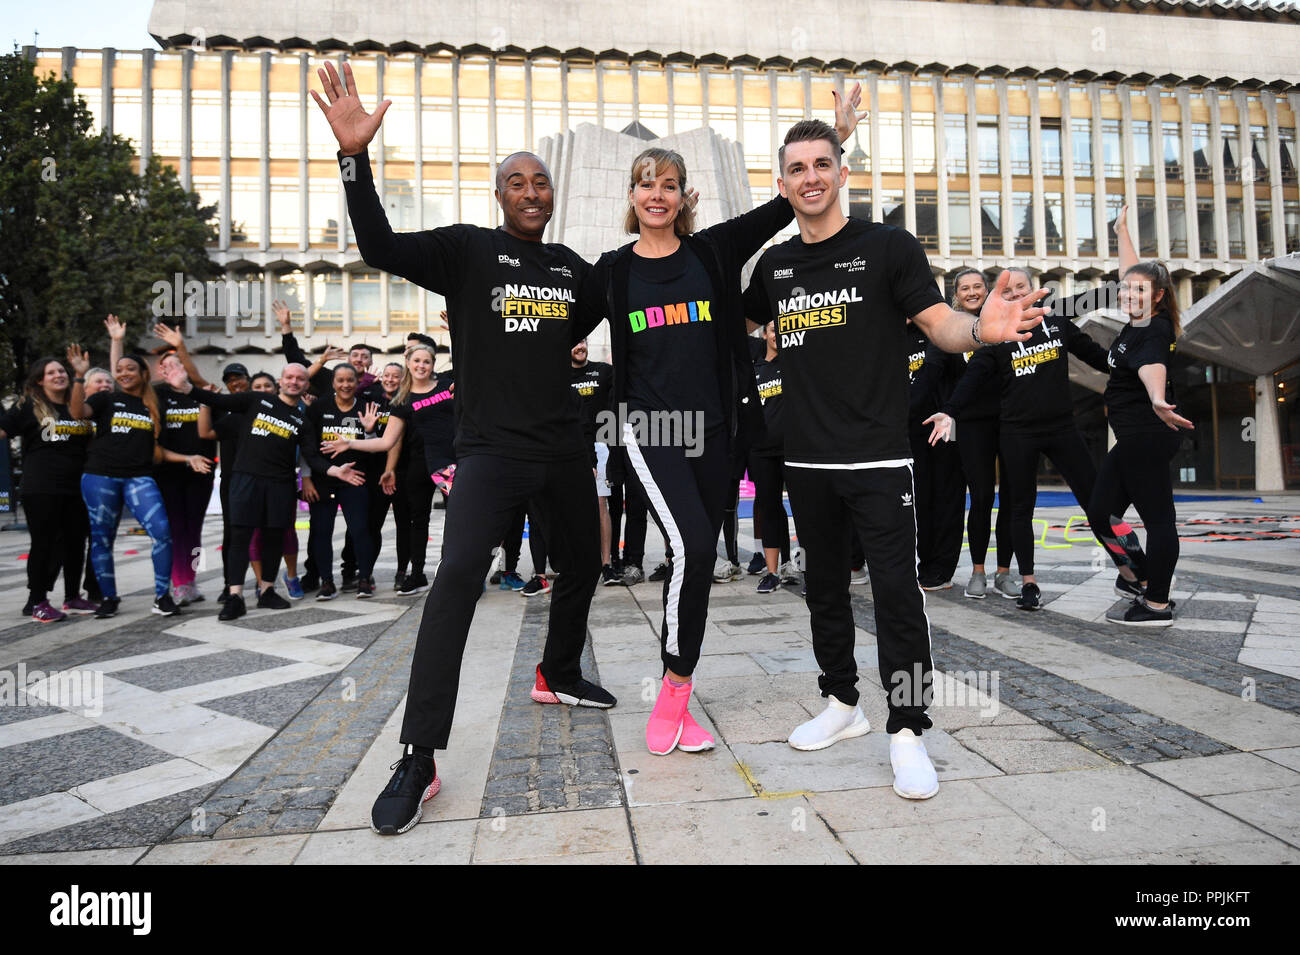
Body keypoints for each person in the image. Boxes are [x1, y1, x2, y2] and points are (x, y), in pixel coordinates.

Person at [312, 59, 615, 835]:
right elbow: (377, 243)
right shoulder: (466, 251)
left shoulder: (571, 270)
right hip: (488, 454)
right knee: (453, 587)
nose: (533, 191)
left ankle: (559, 668)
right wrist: (355, 158)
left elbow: (582, 328)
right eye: (519, 181)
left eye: (542, 182)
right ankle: (419, 755)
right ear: (500, 193)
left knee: (583, 563)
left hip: (562, 451)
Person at [742, 120, 1049, 799]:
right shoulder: (774, 267)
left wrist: (980, 331)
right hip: (807, 464)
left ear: (842, 171)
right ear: (784, 181)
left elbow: (940, 321)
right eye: (797, 167)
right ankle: (842, 702)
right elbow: (733, 328)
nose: (811, 177)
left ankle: (907, 728)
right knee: (821, 588)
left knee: (895, 595)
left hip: (880, 459)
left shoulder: (887, 247)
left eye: (823, 163)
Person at [582, 88, 862, 758]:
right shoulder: (614, 273)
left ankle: (680, 698)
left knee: (699, 561)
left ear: (683, 196)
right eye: (647, 184)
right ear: (633, 194)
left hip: (716, 432)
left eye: (670, 184)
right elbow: (555, 329)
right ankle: (674, 693)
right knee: (695, 549)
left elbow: (786, 203)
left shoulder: (710, 253)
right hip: (652, 430)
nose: (658, 195)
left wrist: (839, 139)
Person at [925, 268, 1141, 611]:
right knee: (1019, 508)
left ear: (1033, 290)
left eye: (1020, 288)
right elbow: (972, 378)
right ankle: (1028, 582)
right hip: (1017, 433)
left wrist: (1141, 366)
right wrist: (949, 410)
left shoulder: (1057, 323)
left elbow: (1099, 357)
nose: (1014, 295)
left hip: (1062, 429)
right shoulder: (997, 336)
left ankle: (1130, 573)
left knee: (1097, 501)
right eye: (1007, 291)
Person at [167, 362, 364, 620]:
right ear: (281, 381)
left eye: (300, 379)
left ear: (306, 385)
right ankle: (235, 595)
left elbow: (312, 457)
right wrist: (187, 387)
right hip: (246, 479)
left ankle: (267, 590)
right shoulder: (257, 401)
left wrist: (334, 470)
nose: (294, 381)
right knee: (240, 536)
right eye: (290, 377)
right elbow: (216, 400)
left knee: (274, 537)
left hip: (281, 484)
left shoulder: (302, 422)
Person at [1091, 206, 1193, 626]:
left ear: (1157, 296)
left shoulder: (1153, 330)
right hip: (1134, 439)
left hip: (1148, 435)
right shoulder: (1139, 319)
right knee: (1101, 513)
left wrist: (1155, 398)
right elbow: (1130, 270)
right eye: (1126, 290)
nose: (1128, 294)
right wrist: (1121, 230)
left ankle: (1157, 604)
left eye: (1138, 291)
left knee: (1159, 520)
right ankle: (1139, 575)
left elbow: (1154, 367)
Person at [67, 326, 209, 619]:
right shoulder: (106, 399)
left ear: (145, 374)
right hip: (100, 477)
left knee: (163, 532)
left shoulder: (152, 403)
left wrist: (188, 457)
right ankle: (108, 597)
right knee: (102, 538)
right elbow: (77, 414)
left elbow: (158, 449)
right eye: (120, 370)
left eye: (132, 369)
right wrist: (82, 374)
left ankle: (162, 596)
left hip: (139, 477)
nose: (124, 373)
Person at [329, 343, 453, 597]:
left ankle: (455, 574)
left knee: (457, 522)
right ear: (408, 362)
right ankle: (416, 575)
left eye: (426, 361)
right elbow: (387, 441)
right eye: (416, 361)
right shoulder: (402, 401)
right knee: (418, 522)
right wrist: (351, 442)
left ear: (432, 364)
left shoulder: (447, 385)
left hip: (452, 464)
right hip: (420, 466)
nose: (421, 366)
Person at [0, 356, 96, 622]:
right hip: (41, 487)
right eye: (51, 372)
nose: (58, 375)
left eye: (61, 371)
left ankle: (73, 597)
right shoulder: (27, 405)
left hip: (77, 486)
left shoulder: (77, 406)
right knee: (44, 544)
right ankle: (37, 601)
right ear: (40, 379)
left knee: (76, 543)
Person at [943, 269, 1016, 599]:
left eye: (977, 286)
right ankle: (978, 572)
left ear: (987, 291)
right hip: (972, 425)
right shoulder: (950, 330)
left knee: (1013, 499)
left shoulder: (1003, 323)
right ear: (956, 294)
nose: (972, 292)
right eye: (965, 288)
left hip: (1012, 420)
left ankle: (1004, 572)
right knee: (982, 496)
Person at [303, 364, 379, 599]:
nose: (345, 385)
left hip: (355, 478)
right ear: (333, 383)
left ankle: (364, 578)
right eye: (340, 380)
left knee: (359, 530)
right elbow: (307, 448)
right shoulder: (317, 407)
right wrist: (306, 478)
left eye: (350, 380)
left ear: (357, 382)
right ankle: (326, 581)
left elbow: (375, 447)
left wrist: (369, 430)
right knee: (321, 531)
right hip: (323, 478)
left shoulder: (366, 407)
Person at [906, 321, 966, 591]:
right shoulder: (889, 334)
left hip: (943, 427)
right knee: (920, 499)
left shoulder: (939, 333)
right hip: (908, 431)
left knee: (947, 495)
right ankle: (926, 564)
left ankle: (942, 568)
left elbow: (950, 376)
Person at [748, 322, 797, 594]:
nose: (777, 334)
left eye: (782, 329)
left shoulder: (795, 364)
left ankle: (807, 569)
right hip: (761, 451)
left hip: (793, 448)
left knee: (802, 510)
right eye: (772, 330)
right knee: (768, 508)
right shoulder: (754, 370)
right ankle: (772, 572)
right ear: (764, 335)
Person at [569, 338, 618, 585]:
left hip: (600, 447)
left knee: (601, 506)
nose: (580, 347)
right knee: (570, 509)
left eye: (584, 342)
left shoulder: (603, 371)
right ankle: (575, 563)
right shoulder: (559, 375)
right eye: (575, 343)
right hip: (568, 449)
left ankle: (606, 563)